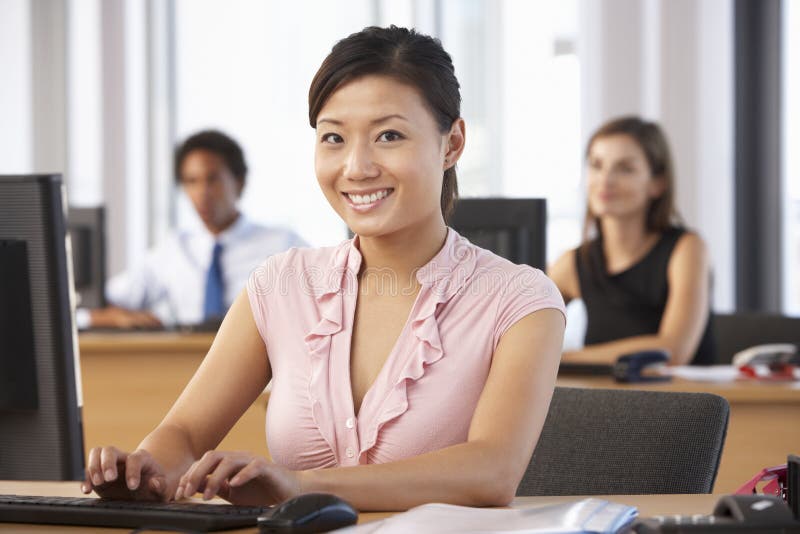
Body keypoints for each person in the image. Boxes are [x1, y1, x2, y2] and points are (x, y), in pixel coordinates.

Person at [79, 26, 566, 510]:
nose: (355, 167)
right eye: (333, 137)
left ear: (452, 143)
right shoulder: (280, 285)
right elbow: (184, 433)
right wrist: (146, 470)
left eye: (389, 135)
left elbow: (491, 471)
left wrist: (301, 484)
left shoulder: (521, 301)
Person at [80, 130, 307, 328]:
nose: (202, 193)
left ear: (239, 182)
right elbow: (88, 304)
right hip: (189, 361)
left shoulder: (284, 245)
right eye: (191, 181)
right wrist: (111, 317)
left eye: (213, 179)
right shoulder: (173, 249)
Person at [549, 116, 716, 366]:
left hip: (681, 392)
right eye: (596, 165)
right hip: (602, 392)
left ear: (657, 183)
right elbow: (518, 333)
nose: (605, 180)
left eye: (625, 169)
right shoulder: (573, 263)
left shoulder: (687, 249)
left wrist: (559, 359)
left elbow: (673, 351)